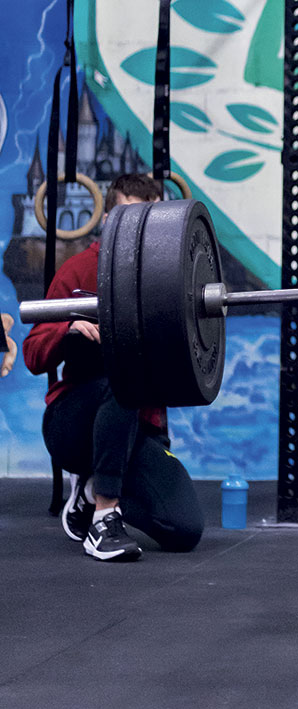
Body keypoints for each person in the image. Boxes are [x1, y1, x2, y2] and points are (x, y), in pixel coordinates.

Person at [23, 173, 204, 561]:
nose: (138, 233)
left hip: (134, 428)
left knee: (184, 528)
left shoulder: (168, 281)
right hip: (72, 425)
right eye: (129, 220)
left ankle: (90, 492)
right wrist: (68, 329)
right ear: (108, 220)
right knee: (121, 378)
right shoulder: (77, 273)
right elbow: (33, 354)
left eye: (148, 222)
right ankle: (104, 520)